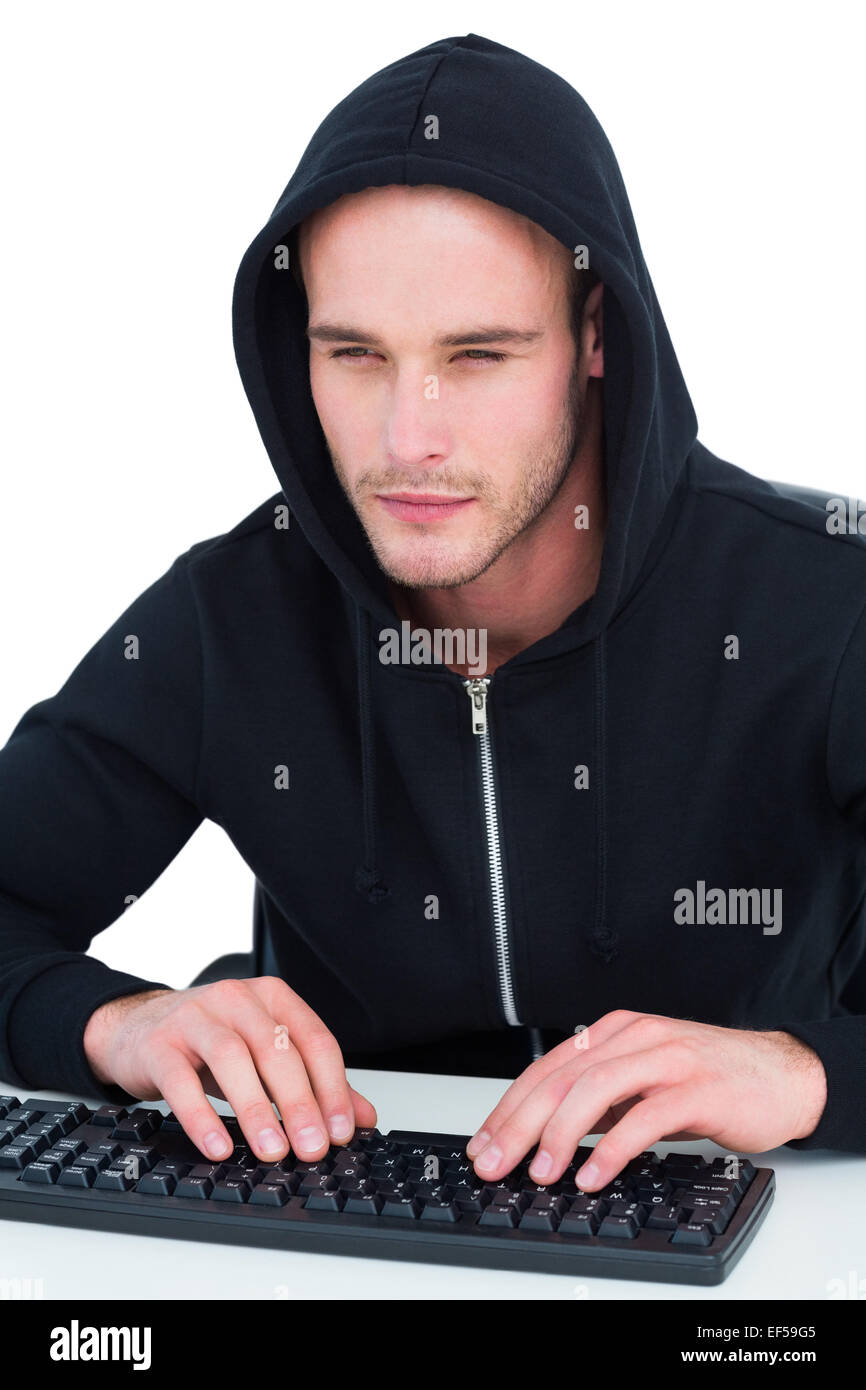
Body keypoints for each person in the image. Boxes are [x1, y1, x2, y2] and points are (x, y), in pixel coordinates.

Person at [2, 33, 864, 1197]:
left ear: (594, 335)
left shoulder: (820, 602)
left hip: (766, 1264)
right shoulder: (233, 615)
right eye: (354, 353)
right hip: (333, 1243)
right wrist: (110, 1023)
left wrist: (810, 1072)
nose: (409, 439)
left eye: (477, 354)